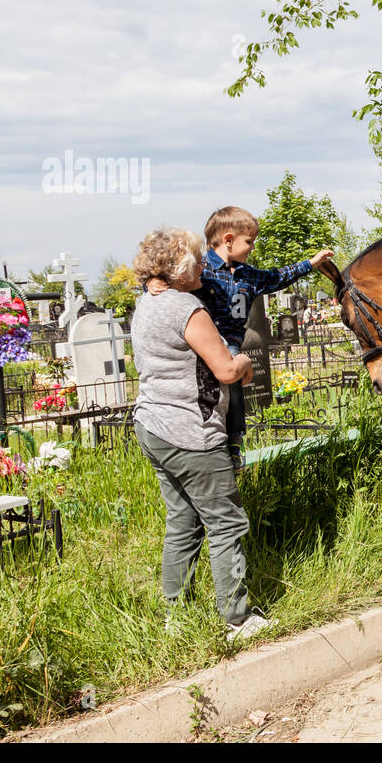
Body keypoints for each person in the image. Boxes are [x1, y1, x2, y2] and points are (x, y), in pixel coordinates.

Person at [130, 228, 274, 641]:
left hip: (154, 425)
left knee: (183, 521)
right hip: (191, 432)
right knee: (226, 523)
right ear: (178, 268)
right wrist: (245, 358)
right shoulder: (187, 308)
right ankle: (238, 620)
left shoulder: (146, 303)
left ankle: (175, 617)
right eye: (195, 258)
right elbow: (227, 371)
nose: (201, 264)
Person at [193, 207, 333, 469]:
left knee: (233, 370)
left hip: (231, 344)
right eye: (249, 242)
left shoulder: (250, 275)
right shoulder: (199, 269)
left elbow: (278, 277)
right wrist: (153, 281)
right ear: (228, 239)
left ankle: (234, 441)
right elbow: (170, 277)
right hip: (202, 342)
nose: (252, 248)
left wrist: (311, 263)